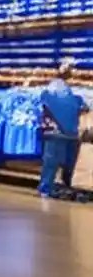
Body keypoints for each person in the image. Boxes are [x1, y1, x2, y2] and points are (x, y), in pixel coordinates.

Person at [39, 59, 86, 196]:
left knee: (60, 163)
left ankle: (54, 187)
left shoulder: (67, 90)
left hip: (66, 132)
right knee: (53, 162)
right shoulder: (55, 88)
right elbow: (51, 104)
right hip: (59, 131)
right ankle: (47, 188)